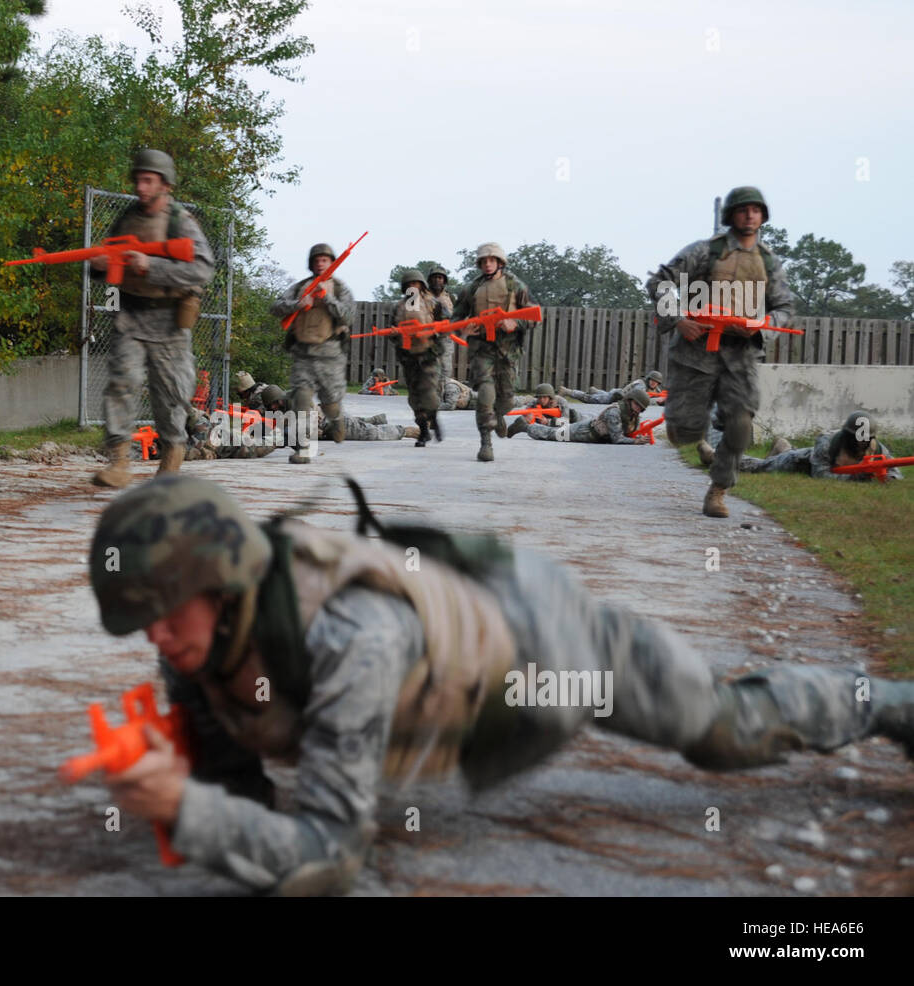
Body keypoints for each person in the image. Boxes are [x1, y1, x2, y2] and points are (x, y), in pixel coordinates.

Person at [87, 476, 914, 896]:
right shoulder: (197, 641)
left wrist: (184, 809)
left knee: (724, 731)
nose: (156, 638)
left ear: (223, 583)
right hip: (478, 618)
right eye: (143, 621)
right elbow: (247, 792)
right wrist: (198, 788)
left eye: (164, 613)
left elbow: (334, 854)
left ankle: (893, 703)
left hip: (548, 651)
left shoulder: (352, 639)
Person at [645, 186, 796, 518]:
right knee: (683, 430)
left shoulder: (768, 262)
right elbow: (660, 281)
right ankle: (694, 429)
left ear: (763, 216)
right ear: (732, 215)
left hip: (741, 353)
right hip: (696, 348)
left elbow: (784, 308)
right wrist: (679, 319)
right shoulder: (705, 252)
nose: (750, 215)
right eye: (743, 210)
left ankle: (718, 490)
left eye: (756, 210)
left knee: (741, 422)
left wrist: (762, 325)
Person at [91, 149, 215, 488]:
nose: (141, 187)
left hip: (170, 324)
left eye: (149, 180)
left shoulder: (181, 223)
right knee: (121, 383)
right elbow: (109, 258)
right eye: (138, 180)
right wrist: (99, 266)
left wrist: (152, 266)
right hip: (130, 317)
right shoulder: (127, 218)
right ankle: (118, 462)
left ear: (166, 184)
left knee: (171, 395)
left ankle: (171, 462)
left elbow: (203, 269)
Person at [269, 244, 356, 461]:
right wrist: (297, 304)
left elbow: (347, 316)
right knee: (300, 400)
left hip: (329, 354)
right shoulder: (300, 287)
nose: (320, 263)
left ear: (332, 262)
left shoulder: (339, 288)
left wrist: (326, 298)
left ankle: (336, 422)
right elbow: (275, 307)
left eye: (325, 260)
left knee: (330, 402)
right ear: (311, 263)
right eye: (317, 260)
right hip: (303, 353)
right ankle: (303, 449)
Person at [451, 242, 535, 462]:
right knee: (485, 395)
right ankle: (485, 443)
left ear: (499, 262)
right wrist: (464, 326)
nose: (488, 264)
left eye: (492, 260)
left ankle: (498, 416)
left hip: (508, 351)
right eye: (484, 261)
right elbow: (456, 318)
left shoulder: (516, 286)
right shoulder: (471, 289)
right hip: (482, 350)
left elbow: (533, 318)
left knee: (507, 399)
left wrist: (515, 322)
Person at [704, 411, 905, 480]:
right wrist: (860, 477)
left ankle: (782, 446)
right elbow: (822, 476)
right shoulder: (826, 441)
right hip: (799, 463)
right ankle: (714, 456)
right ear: (846, 436)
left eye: (865, 440)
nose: (861, 444)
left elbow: (895, 473)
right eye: (856, 439)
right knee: (757, 467)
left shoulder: (878, 450)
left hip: (806, 460)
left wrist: (886, 478)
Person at [388, 269, 447, 446]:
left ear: (422, 285)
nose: (412, 287)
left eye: (416, 284)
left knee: (429, 392)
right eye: (409, 285)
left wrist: (432, 332)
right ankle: (423, 432)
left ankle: (434, 418)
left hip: (428, 354)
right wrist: (394, 334)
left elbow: (447, 323)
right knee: (414, 398)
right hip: (409, 357)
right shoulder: (399, 307)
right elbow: (393, 330)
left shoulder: (432, 304)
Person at [260, 386, 418, 443]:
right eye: (270, 406)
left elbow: (306, 427)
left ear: (280, 399)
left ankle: (405, 431)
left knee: (370, 433)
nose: (273, 407)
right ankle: (377, 419)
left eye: (274, 403)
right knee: (362, 425)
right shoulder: (280, 406)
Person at [513, 386, 651, 443]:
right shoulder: (616, 412)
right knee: (553, 434)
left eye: (640, 407)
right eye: (637, 405)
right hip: (585, 432)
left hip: (582, 421)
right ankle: (525, 427)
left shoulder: (561, 402)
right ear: (630, 401)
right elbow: (618, 439)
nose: (638, 409)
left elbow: (565, 420)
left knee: (560, 427)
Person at [427, 265, 455, 400]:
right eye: (435, 278)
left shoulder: (451, 297)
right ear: (430, 280)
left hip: (445, 338)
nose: (437, 281)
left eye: (440, 278)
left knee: (445, 367)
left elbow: (457, 316)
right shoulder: (421, 296)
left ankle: (444, 396)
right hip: (427, 337)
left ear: (444, 280)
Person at [559, 371, 664, 405]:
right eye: (652, 381)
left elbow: (657, 394)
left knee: (601, 395)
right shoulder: (641, 385)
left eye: (656, 383)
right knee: (589, 399)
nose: (654, 384)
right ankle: (567, 391)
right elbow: (641, 399)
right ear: (648, 379)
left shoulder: (655, 389)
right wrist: (657, 401)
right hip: (617, 397)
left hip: (617, 394)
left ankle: (595, 391)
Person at [508, 383, 578, 430]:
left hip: (574, 421)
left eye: (544, 397)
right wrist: (527, 418)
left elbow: (565, 422)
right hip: (548, 426)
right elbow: (525, 413)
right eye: (539, 397)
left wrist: (548, 422)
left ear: (550, 397)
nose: (541, 400)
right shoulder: (534, 402)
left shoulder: (561, 402)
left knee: (573, 416)